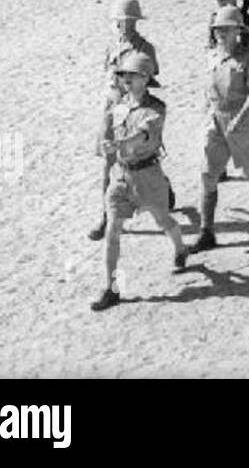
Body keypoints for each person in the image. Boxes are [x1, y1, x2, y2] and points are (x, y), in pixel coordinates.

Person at [91, 51, 188, 312]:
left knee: (163, 221)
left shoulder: (156, 108)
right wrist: (105, 144)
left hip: (148, 177)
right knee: (112, 230)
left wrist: (121, 143)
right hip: (121, 175)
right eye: (123, 75)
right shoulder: (119, 104)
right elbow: (108, 129)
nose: (126, 80)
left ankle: (180, 248)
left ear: (145, 78)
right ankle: (111, 289)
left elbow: (144, 134)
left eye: (131, 76)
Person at [192, 6, 249, 252]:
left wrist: (241, 117)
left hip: (242, 123)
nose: (221, 34)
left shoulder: (248, 57)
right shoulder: (211, 56)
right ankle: (207, 231)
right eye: (218, 30)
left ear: (238, 31)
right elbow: (207, 88)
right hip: (216, 121)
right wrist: (207, 114)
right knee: (207, 174)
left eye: (226, 29)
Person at [90, 0, 160, 241]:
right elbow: (107, 78)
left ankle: (165, 190)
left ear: (135, 22)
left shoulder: (145, 49)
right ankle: (105, 215)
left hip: (132, 109)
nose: (123, 25)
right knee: (108, 165)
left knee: (141, 160)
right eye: (120, 21)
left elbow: (150, 77)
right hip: (111, 110)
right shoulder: (112, 46)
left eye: (128, 21)